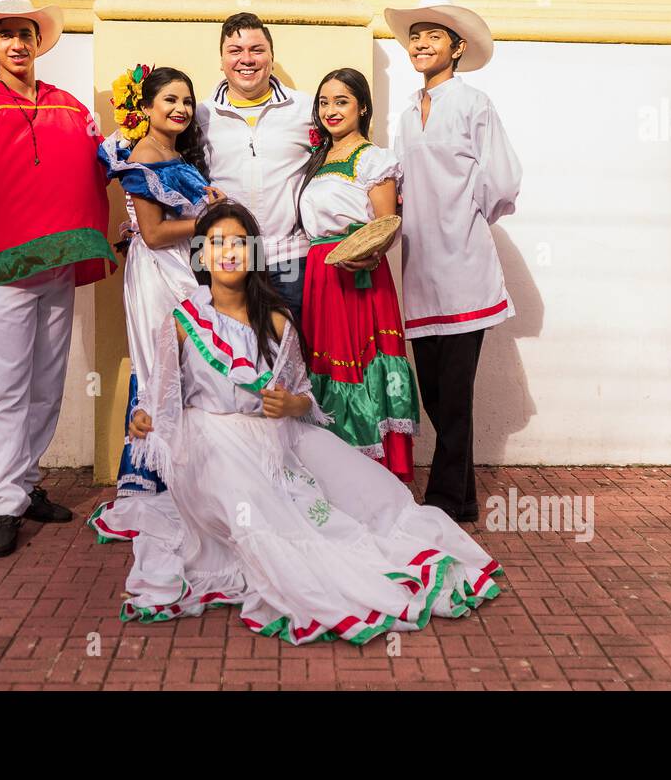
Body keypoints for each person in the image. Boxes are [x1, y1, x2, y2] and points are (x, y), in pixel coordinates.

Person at [91, 200, 502, 645]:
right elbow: (159, 398)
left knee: (367, 492)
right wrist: (143, 418)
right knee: (262, 516)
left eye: (238, 242)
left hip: (276, 435)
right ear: (201, 256)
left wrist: (289, 405)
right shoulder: (182, 322)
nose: (228, 251)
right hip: (210, 439)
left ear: (253, 253)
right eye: (216, 243)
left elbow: (305, 398)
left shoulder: (276, 319)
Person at [0, 0, 116, 557]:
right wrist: (14, 208)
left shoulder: (70, 107)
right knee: (11, 385)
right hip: (10, 266)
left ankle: (27, 482)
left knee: (47, 381)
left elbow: (98, 166)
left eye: (26, 33)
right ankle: (5, 502)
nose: (17, 42)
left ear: (38, 42)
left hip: (59, 264)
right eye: (6, 33)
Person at [383, 0, 522, 523]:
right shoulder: (403, 116)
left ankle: (443, 501)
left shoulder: (474, 103)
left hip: (464, 265)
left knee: (456, 391)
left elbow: (502, 177)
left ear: (457, 48)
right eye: (415, 36)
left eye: (434, 36)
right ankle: (462, 497)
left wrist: (463, 218)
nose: (420, 44)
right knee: (435, 392)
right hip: (419, 267)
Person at [96, 65, 223, 497]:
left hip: (176, 265)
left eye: (187, 101)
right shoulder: (147, 155)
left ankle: (181, 476)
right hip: (157, 271)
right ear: (146, 107)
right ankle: (150, 478)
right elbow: (152, 234)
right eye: (170, 100)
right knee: (162, 364)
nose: (182, 108)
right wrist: (210, 221)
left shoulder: (174, 154)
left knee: (185, 363)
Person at [295, 68, 420, 481]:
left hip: (358, 276)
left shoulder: (373, 158)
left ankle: (376, 474)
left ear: (362, 106)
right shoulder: (317, 159)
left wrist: (367, 256)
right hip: (319, 274)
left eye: (342, 101)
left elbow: (387, 224)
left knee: (361, 367)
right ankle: (335, 471)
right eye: (324, 102)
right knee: (327, 367)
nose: (330, 110)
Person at [196, 12, 314, 326]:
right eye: (235, 51)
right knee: (232, 358)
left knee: (293, 357)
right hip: (225, 259)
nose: (246, 59)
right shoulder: (199, 114)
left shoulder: (306, 109)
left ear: (271, 58)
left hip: (288, 257)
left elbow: (339, 161)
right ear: (221, 60)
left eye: (256, 50)